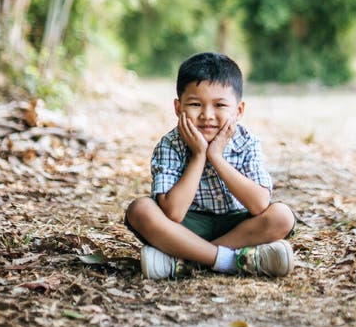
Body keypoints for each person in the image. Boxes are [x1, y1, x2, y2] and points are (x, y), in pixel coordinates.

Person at [125, 51, 296, 280]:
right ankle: (234, 261)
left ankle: (185, 260)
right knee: (141, 210)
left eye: (220, 105)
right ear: (178, 108)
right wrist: (198, 156)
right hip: (186, 227)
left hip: (238, 227)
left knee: (282, 216)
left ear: (239, 110)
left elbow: (259, 204)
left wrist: (216, 157)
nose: (207, 115)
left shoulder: (247, 142)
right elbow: (173, 214)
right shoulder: (170, 145)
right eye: (195, 104)